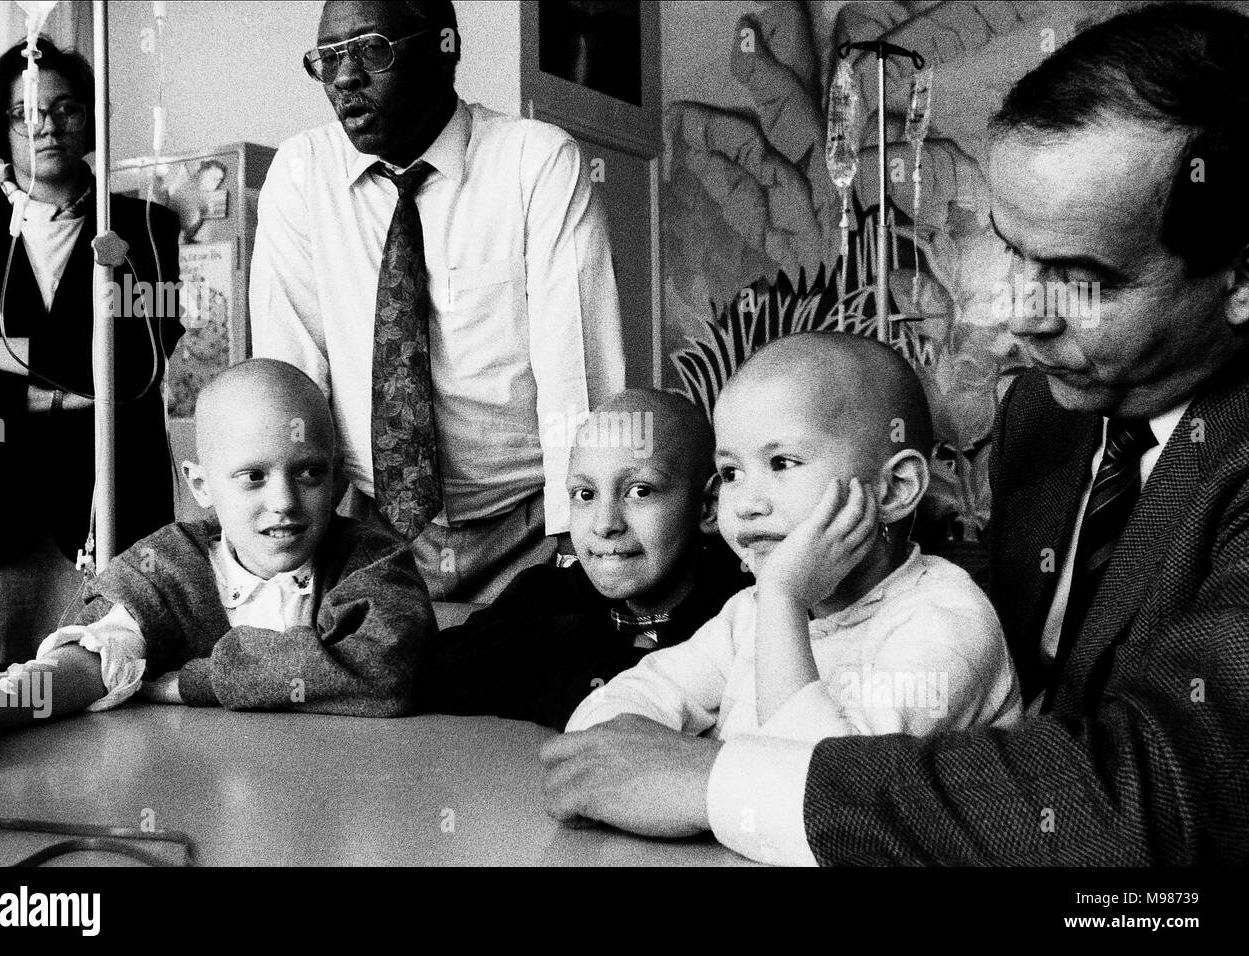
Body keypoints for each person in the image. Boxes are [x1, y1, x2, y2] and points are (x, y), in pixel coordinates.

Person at [541, 2, 1249, 865]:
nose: (1014, 313)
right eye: (1013, 253)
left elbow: (1158, 798)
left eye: (1077, 277)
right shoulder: (1046, 417)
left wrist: (709, 781)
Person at [250, 0, 625, 603]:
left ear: (443, 48)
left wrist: (574, 540)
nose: (345, 77)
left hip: (526, 525)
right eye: (328, 59)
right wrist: (295, 544)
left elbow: (576, 376)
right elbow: (291, 377)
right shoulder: (302, 174)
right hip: (372, 529)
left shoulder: (536, 162)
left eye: (372, 50)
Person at [0, 359, 435, 772]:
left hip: (355, 792)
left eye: (310, 472)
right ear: (201, 484)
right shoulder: (165, 566)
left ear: (340, 481)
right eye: (253, 477)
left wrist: (194, 681)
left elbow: (386, 672)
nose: (284, 501)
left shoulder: (375, 562)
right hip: (209, 796)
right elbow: (86, 663)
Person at [566, 335, 1021, 744]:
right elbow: (607, 715)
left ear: (895, 489)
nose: (745, 503)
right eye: (731, 472)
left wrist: (783, 598)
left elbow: (819, 791)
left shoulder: (945, 623)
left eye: (782, 463)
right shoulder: (748, 615)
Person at [0, 37, 182, 668]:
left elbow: (139, 365)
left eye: (65, 108)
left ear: (88, 118)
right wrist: (71, 380)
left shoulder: (145, 230)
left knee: (109, 702)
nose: (46, 126)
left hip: (113, 512)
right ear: (0, 125)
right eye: (24, 112)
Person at [417, 388, 749, 731]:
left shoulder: (742, 610)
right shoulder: (547, 594)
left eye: (640, 491)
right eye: (585, 495)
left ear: (709, 505)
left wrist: (551, 676)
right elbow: (440, 673)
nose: (605, 524)